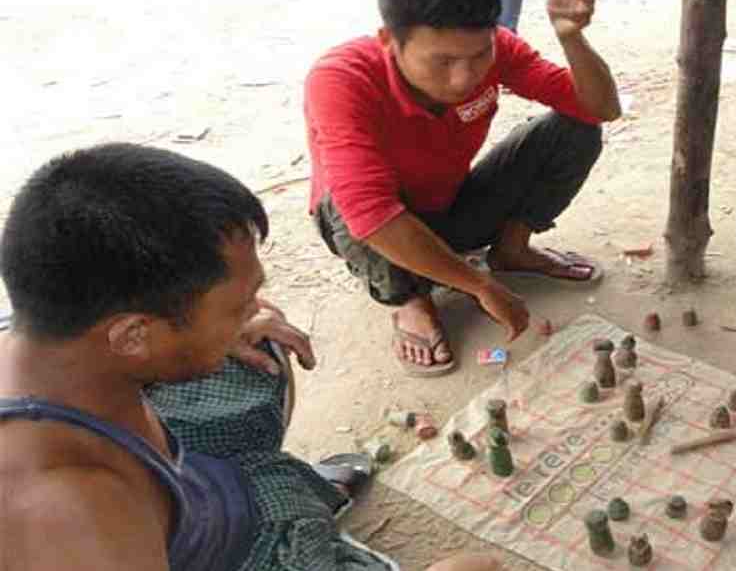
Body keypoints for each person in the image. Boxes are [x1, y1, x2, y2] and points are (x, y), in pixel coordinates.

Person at [0, 143, 500, 571]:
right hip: (221, 550)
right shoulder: (74, 524)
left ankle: (281, 491)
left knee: (258, 350)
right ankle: (284, 518)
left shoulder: (57, 347)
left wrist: (226, 328)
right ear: (133, 334)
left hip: (192, 490)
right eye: (236, 305)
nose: (256, 308)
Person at [306, 0, 621, 377]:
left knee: (575, 130)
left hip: (448, 204)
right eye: (443, 61)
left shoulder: (498, 49)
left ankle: (511, 250)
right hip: (373, 229)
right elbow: (372, 215)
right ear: (388, 42)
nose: (464, 77)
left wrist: (573, 39)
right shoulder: (341, 78)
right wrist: (479, 286)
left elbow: (600, 109)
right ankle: (408, 300)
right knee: (350, 203)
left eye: (479, 56)